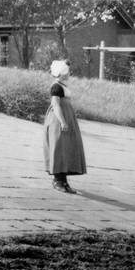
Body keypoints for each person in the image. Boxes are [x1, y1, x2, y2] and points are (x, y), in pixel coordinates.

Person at [43, 59, 86, 194]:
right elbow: (55, 105)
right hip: (57, 120)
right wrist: (62, 121)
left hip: (66, 118)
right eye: (66, 72)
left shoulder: (62, 86)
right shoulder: (56, 87)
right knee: (59, 149)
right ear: (61, 73)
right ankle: (57, 181)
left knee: (65, 149)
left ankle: (64, 182)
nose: (68, 74)